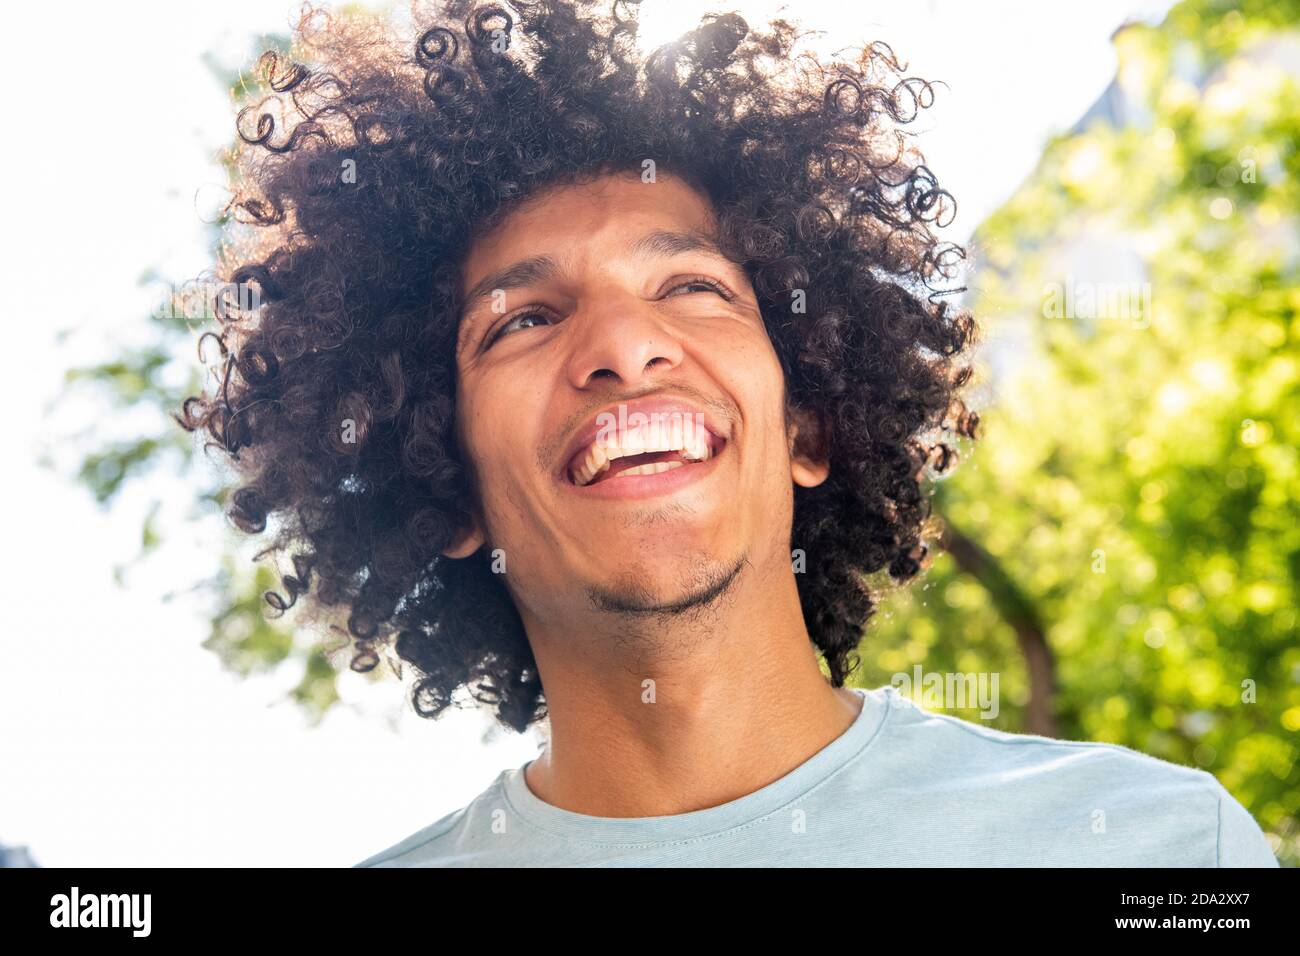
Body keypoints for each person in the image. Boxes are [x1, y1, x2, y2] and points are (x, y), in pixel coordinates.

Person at [180, 0, 1278, 867]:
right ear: (447, 490)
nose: (624, 345)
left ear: (806, 422)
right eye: (523, 318)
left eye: (693, 287)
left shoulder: (1160, 852)